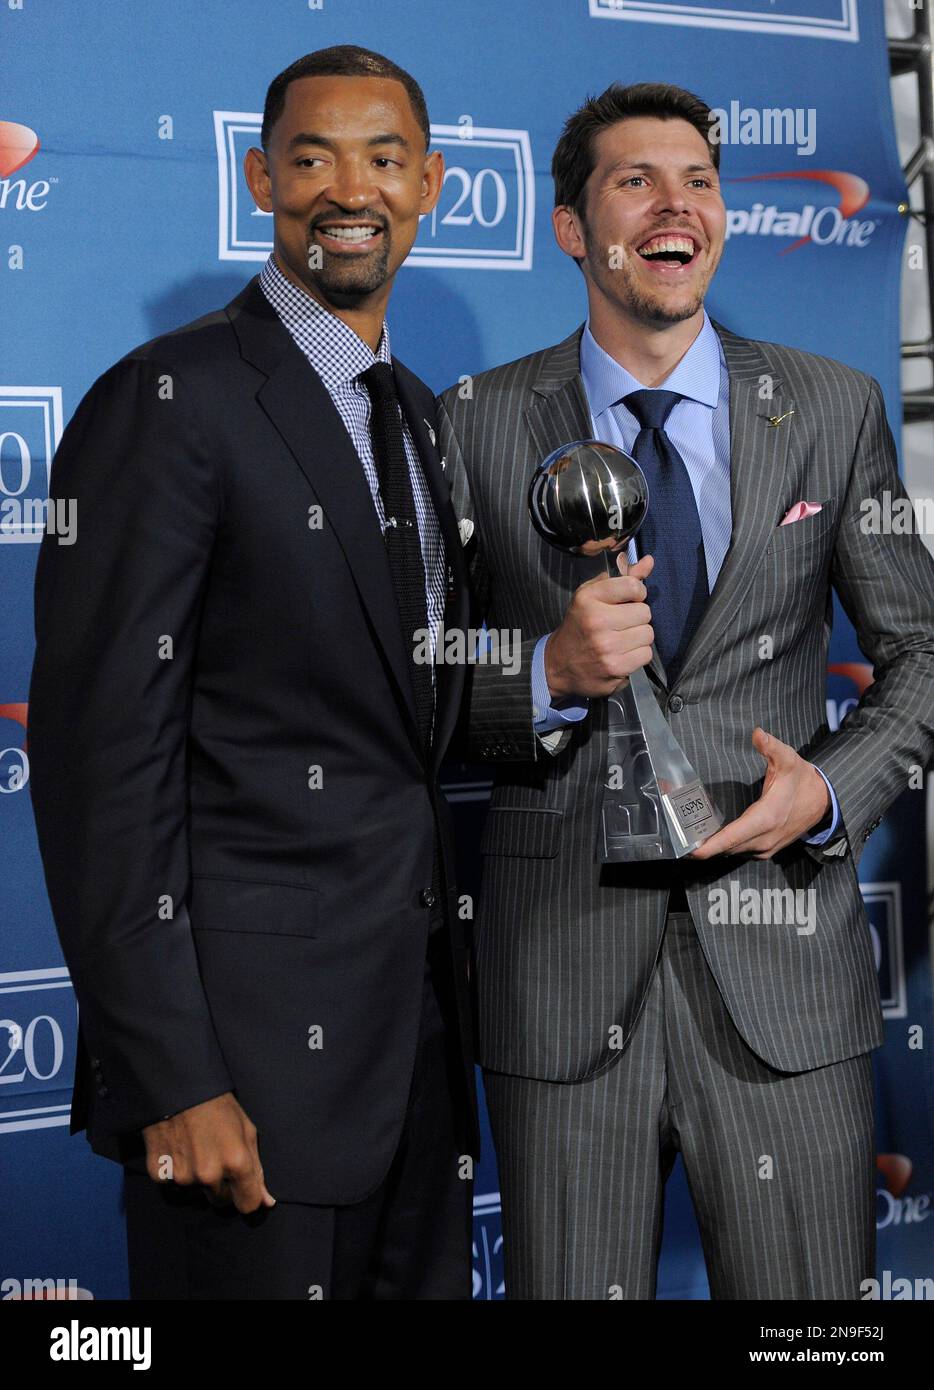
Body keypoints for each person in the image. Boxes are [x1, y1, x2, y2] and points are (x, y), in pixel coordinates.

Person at [437, 81, 934, 1300]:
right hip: (561, 988)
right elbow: (416, 673)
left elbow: (922, 651)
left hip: (785, 991)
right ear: (570, 227)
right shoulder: (475, 423)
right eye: (636, 181)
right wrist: (546, 673)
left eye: (700, 180)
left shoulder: (828, 406)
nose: (678, 205)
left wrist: (827, 788)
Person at [28, 45, 478, 1301]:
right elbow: (99, 768)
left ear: (431, 183)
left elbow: (400, 722)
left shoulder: (420, 418)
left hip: (414, 1075)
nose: (351, 187)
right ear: (257, 175)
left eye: (384, 158)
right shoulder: (169, 400)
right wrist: (168, 1075)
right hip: (242, 1085)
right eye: (313, 155)